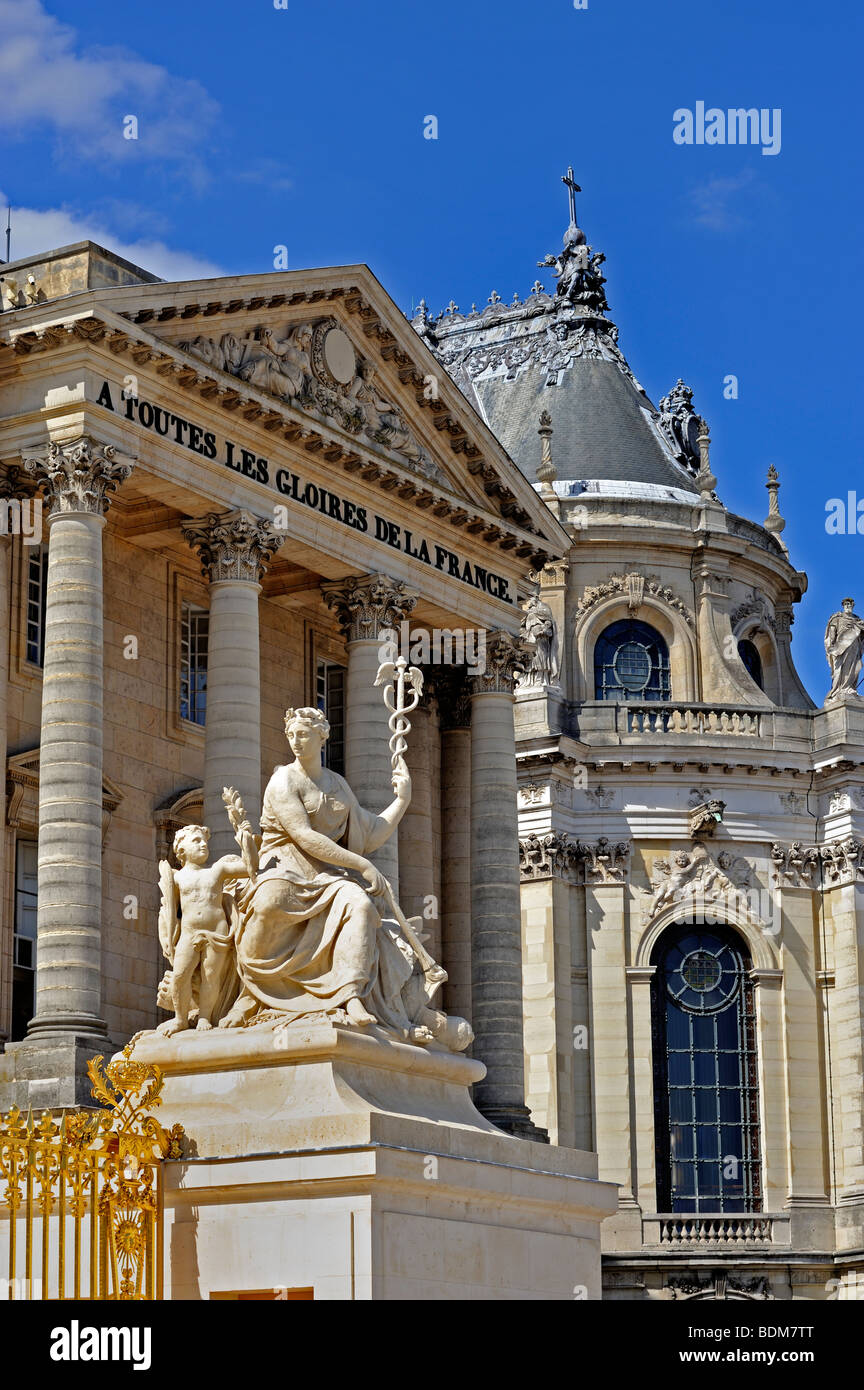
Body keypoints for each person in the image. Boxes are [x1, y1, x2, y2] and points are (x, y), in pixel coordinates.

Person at [222, 707, 447, 1043]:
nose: (296, 742)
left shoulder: (337, 785)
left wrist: (403, 799)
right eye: (291, 735)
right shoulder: (283, 779)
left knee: (360, 905)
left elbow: (370, 834)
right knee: (270, 902)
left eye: (303, 734)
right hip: (281, 864)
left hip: (326, 872)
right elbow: (304, 836)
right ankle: (253, 990)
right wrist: (361, 865)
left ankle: (350, 994)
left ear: (321, 736)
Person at [156, 825, 248, 1036]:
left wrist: (244, 837)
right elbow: (168, 910)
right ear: (181, 850)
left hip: (216, 930)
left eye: (205, 841)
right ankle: (180, 1019)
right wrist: (167, 938)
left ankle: (205, 1016)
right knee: (180, 975)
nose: (203, 844)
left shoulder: (217, 870)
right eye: (196, 841)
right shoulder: (176, 878)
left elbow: (250, 867)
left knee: (210, 976)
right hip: (188, 932)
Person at [825, 597, 864, 703]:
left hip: (854, 647)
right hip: (840, 648)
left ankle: (849, 689)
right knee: (840, 670)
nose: (848, 606)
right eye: (846, 604)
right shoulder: (837, 618)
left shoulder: (857, 620)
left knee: (854, 667)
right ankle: (838, 690)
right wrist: (831, 647)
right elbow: (832, 634)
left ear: (853, 606)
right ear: (843, 606)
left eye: (850, 604)